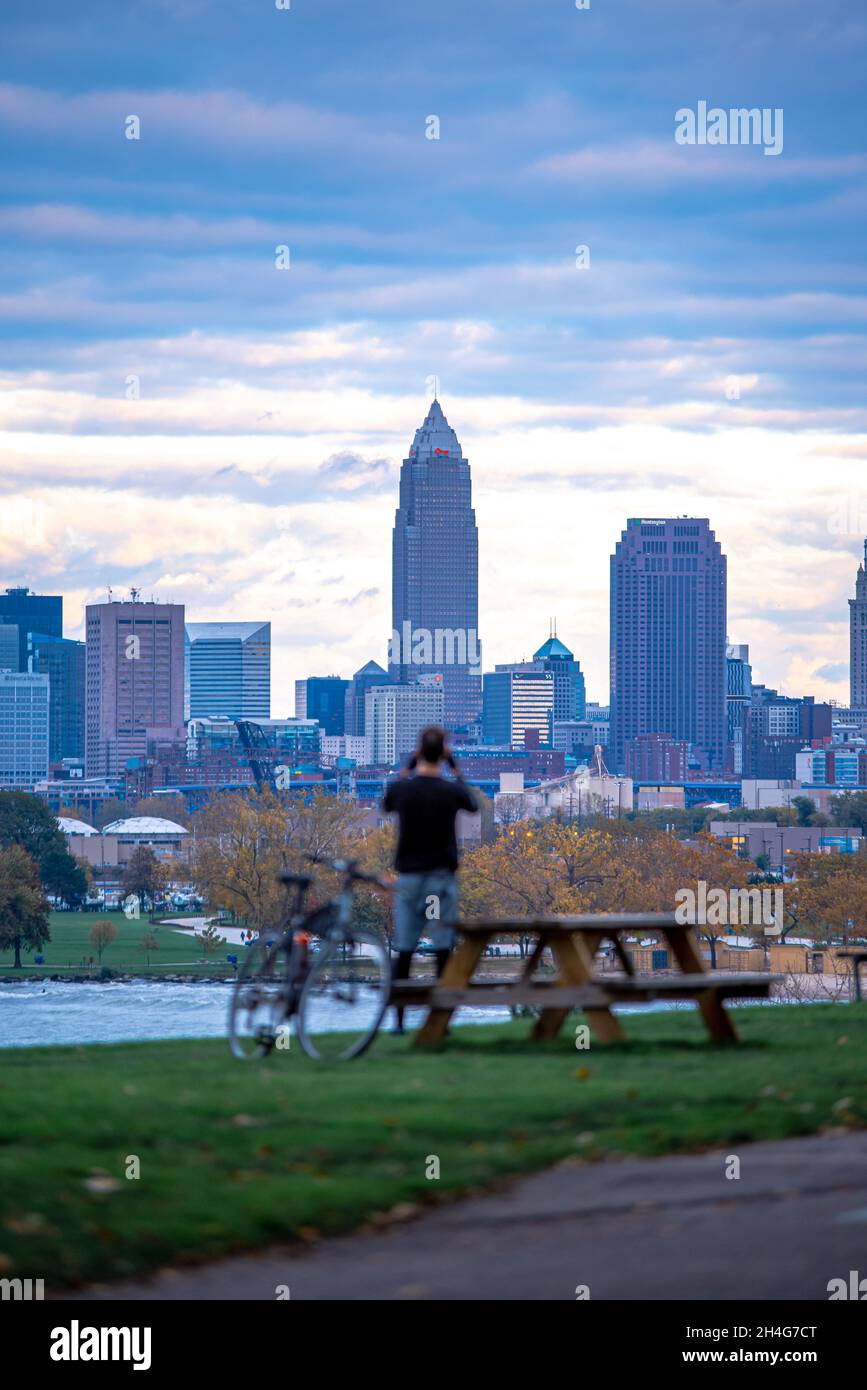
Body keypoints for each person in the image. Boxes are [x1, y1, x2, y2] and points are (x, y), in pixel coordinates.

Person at [382, 725, 477, 1034]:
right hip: (439, 882)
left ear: (419, 752)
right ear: (444, 753)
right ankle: (441, 1021)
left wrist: (407, 768)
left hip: (409, 881)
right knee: (442, 947)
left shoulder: (404, 791)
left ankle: (398, 1021)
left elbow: (387, 800)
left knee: (406, 948)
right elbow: (473, 804)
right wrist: (456, 768)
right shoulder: (450, 792)